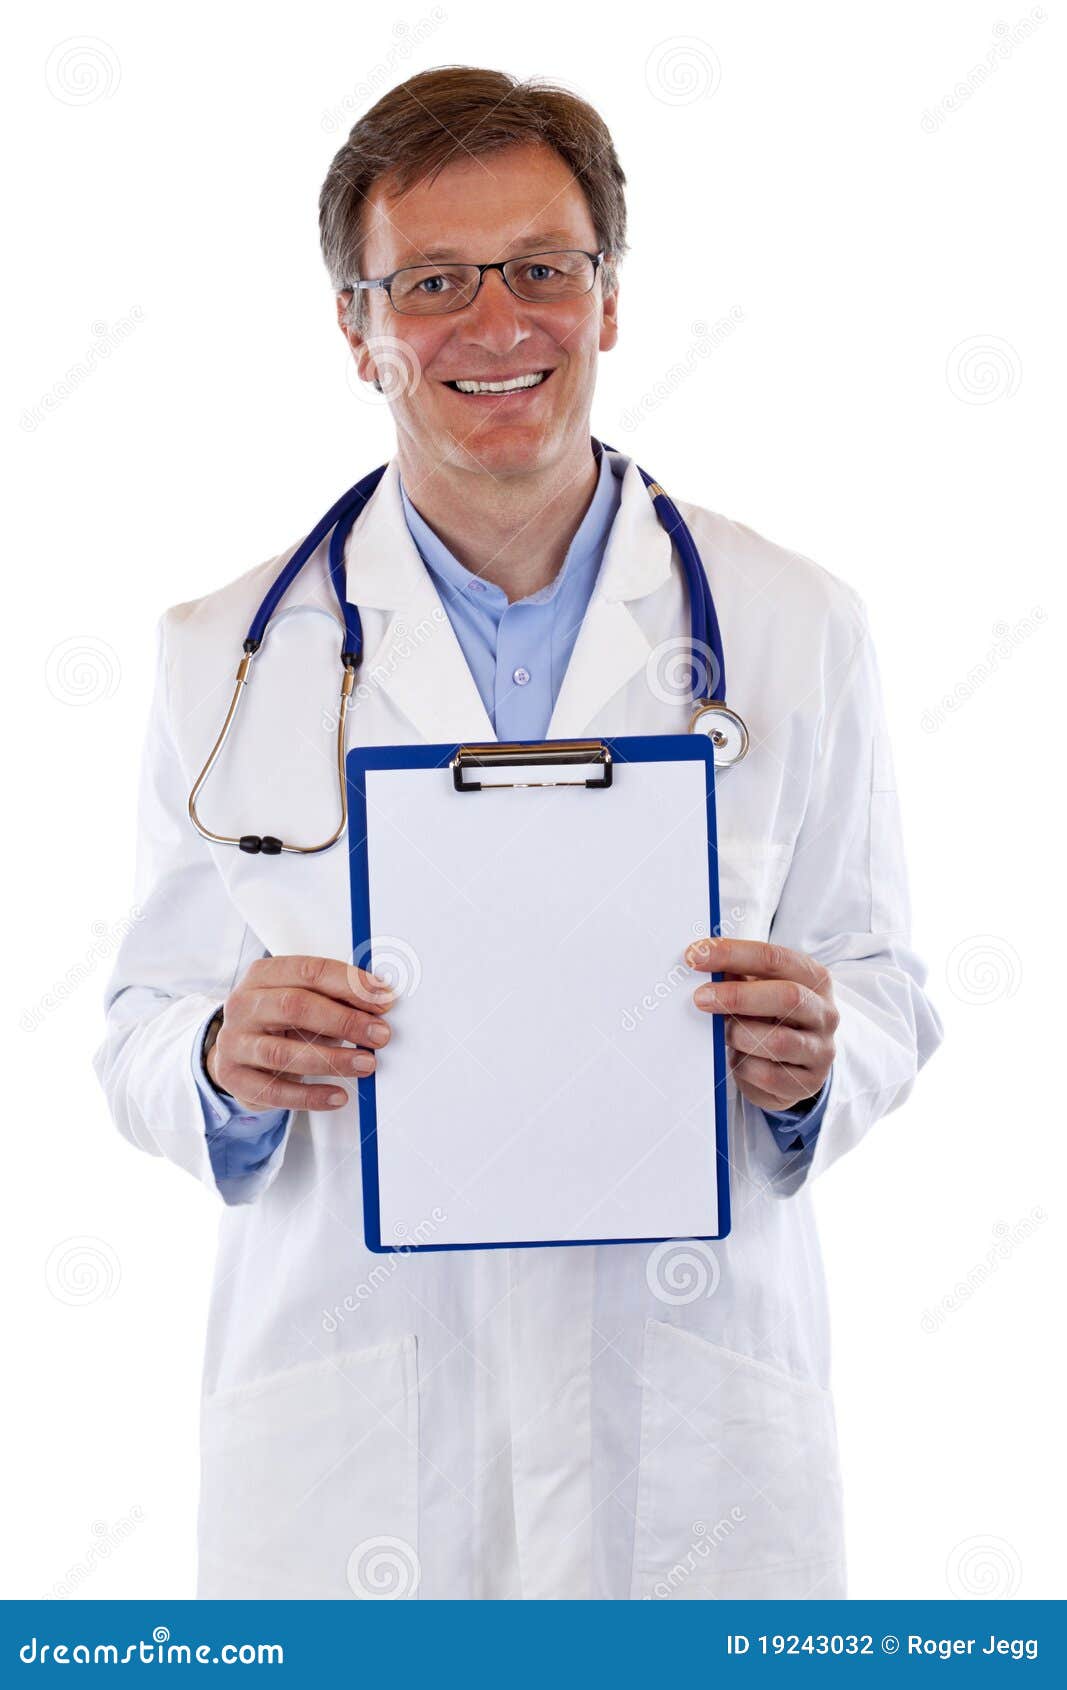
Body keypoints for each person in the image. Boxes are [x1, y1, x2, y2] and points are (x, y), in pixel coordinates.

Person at [94, 65, 942, 1600]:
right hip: (355, 1440)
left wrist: (828, 1052)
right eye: (432, 283)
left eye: (543, 269)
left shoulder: (792, 624)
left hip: (690, 1448)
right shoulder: (222, 654)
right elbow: (141, 1028)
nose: (497, 325)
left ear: (608, 301)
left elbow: (883, 978)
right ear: (357, 327)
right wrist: (223, 1058)